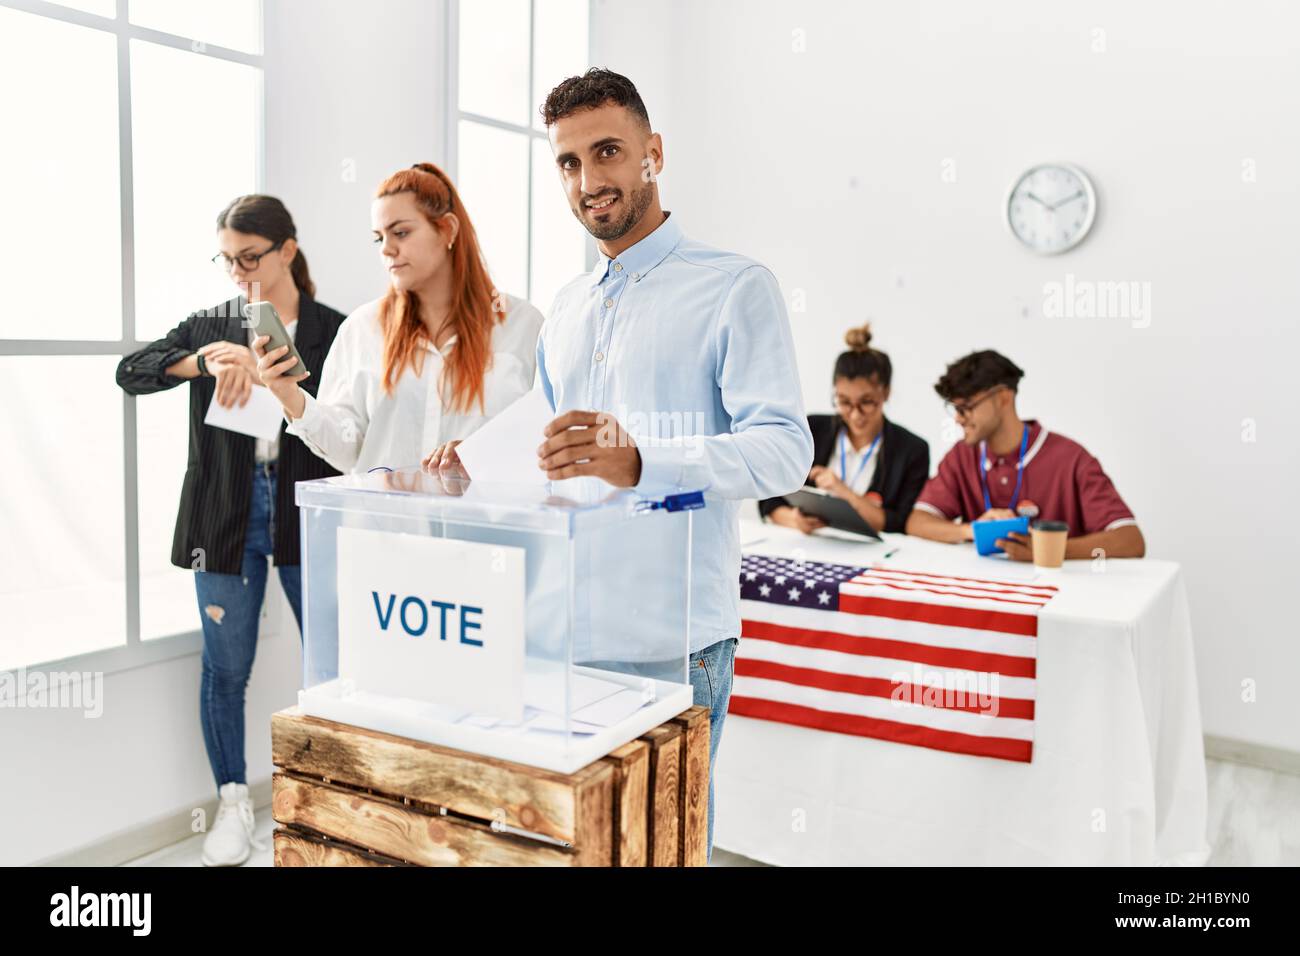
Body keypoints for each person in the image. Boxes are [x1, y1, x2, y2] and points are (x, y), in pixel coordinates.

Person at [527, 68, 812, 860]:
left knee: (661, 849)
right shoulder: (566, 311)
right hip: (571, 626)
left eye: (608, 151)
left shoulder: (733, 287)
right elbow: (559, 463)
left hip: (675, 634)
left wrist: (644, 460)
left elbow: (786, 449)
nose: (590, 181)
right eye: (569, 163)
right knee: (587, 847)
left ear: (653, 154)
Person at [116, 195, 348, 866]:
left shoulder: (334, 330)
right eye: (228, 259)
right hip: (227, 511)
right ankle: (232, 805)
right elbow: (130, 371)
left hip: (310, 503)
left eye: (250, 257)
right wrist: (202, 363)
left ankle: (325, 797)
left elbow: (353, 420)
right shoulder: (211, 325)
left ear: (287, 251)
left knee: (332, 665)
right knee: (225, 668)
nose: (239, 272)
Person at [257, 163, 543, 474]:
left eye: (401, 233)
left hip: (484, 520)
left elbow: (541, 439)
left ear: (447, 229)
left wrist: (479, 454)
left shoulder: (522, 325)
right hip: (386, 520)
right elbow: (348, 450)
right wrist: (290, 396)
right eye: (378, 238)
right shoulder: (361, 328)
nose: (387, 250)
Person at [905, 349, 1145, 559]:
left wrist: (1049, 549)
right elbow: (917, 522)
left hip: (1059, 599)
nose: (957, 418)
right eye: (955, 408)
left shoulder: (1071, 459)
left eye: (966, 407)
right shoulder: (961, 455)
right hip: (989, 596)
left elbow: (1130, 540)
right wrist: (972, 530)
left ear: (1003, 398)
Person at [759, 323, 929, 534]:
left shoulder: (912, 450)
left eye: (866, 402)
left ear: (885, 393)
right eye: (844, 402)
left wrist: (842, 492)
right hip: (811, 544)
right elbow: (769, 497)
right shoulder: (812, 428)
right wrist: (793, 519)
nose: (855, 414)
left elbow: (898, 523)